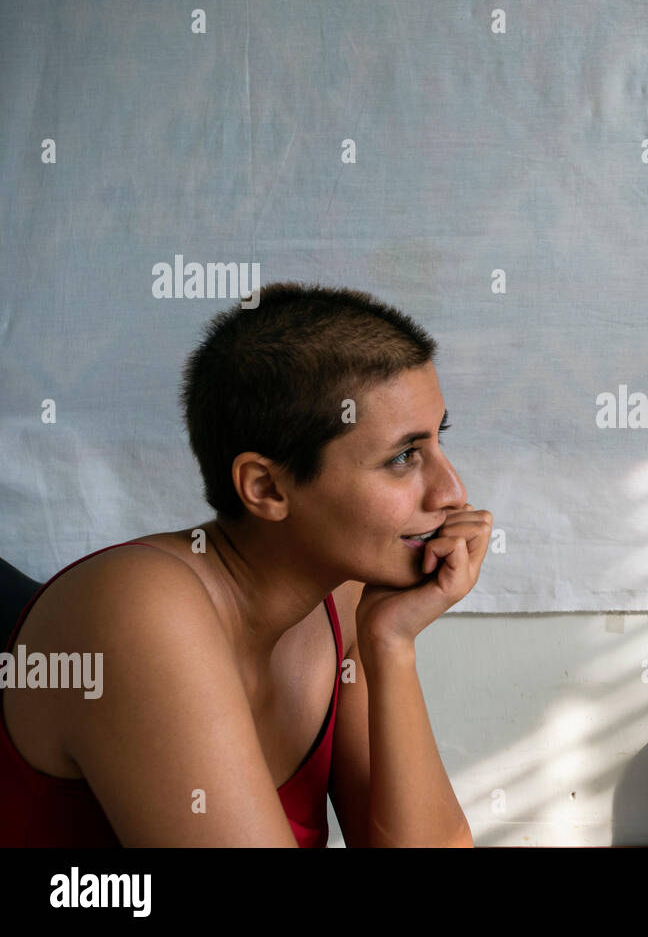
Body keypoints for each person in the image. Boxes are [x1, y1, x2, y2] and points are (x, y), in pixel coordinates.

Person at [0, 281, 490, 846]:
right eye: (404, 456)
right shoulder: (139, 609)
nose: (452, 492)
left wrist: (390, 643)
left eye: (438, 439)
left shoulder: (346, 601)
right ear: (266, 487)